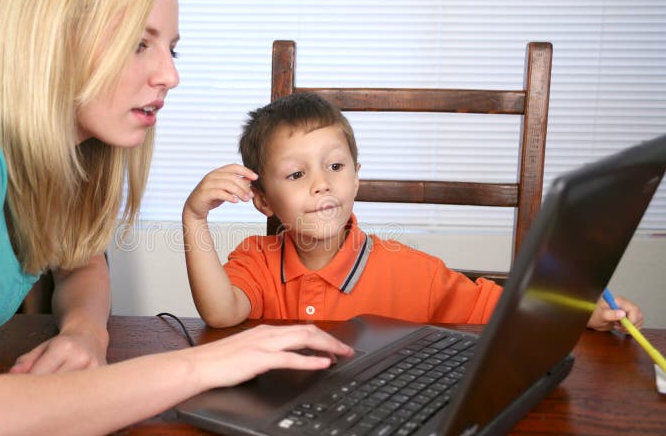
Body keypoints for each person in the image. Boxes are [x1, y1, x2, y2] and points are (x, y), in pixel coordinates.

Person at [0, 0, 354, 436]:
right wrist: (207, 365)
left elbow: (82, 264)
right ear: (51, 35)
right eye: (138, 44)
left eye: (171, 47)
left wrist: (84, 334)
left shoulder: (63, 147)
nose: (170, 74)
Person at [183, 92, 643, 331]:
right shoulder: (257, 261)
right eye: (296, 175)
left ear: (356, 176)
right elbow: (222, 314)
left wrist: (576, 310)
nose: (322, 183)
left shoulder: (412, 273)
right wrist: (195, 219)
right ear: (263, 199)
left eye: (335, 166)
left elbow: (496, 308)